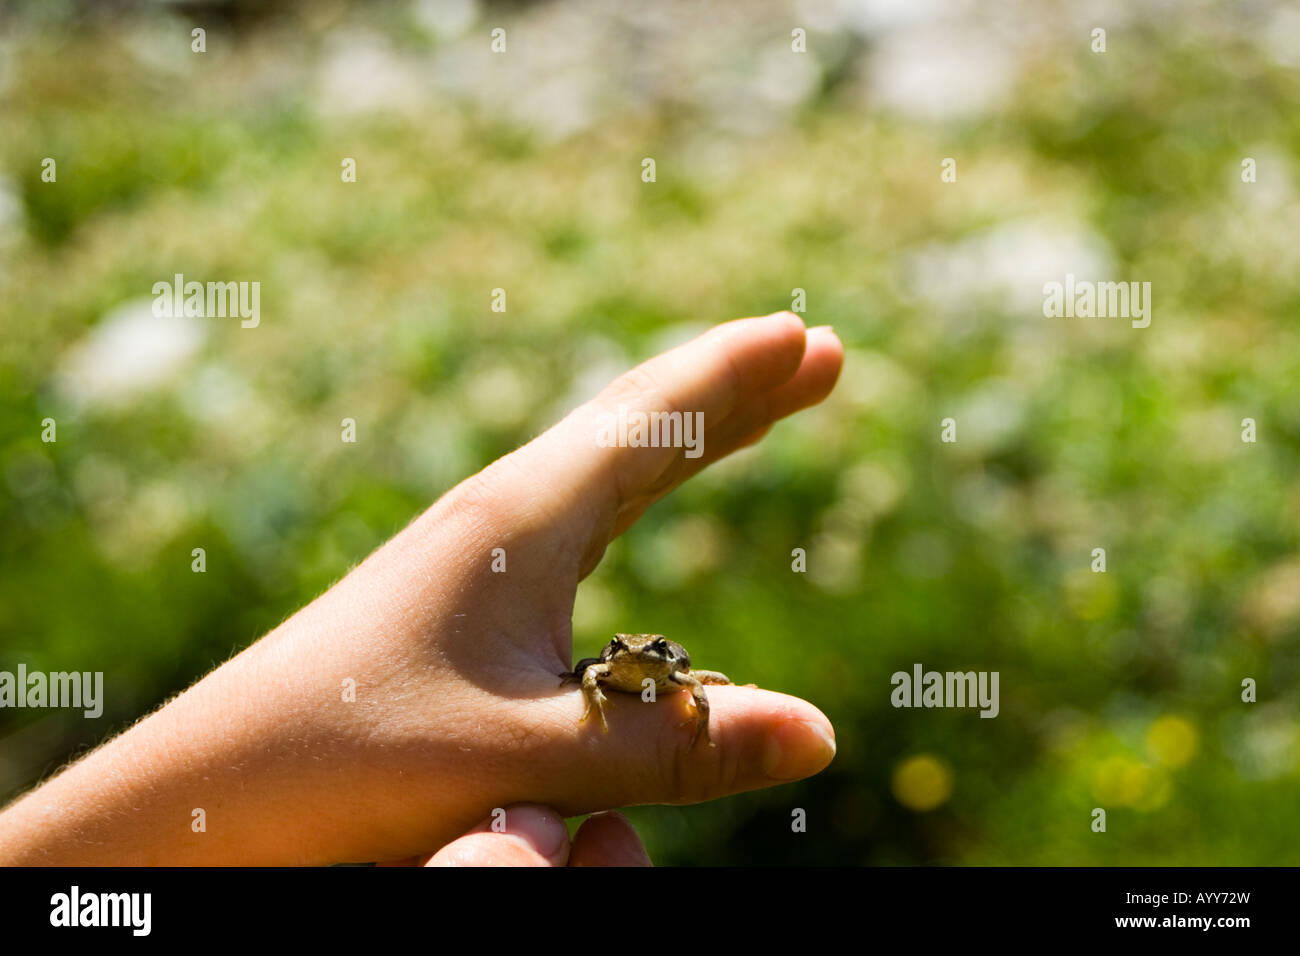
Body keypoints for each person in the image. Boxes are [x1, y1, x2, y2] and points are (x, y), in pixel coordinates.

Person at [0, 312, 843, 866]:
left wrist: (687, 702)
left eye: (640, 654)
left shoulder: (661, 671)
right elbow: (598, 673)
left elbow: (678, 675)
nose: (633, 657)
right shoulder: (612, 671)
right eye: (627, 652)